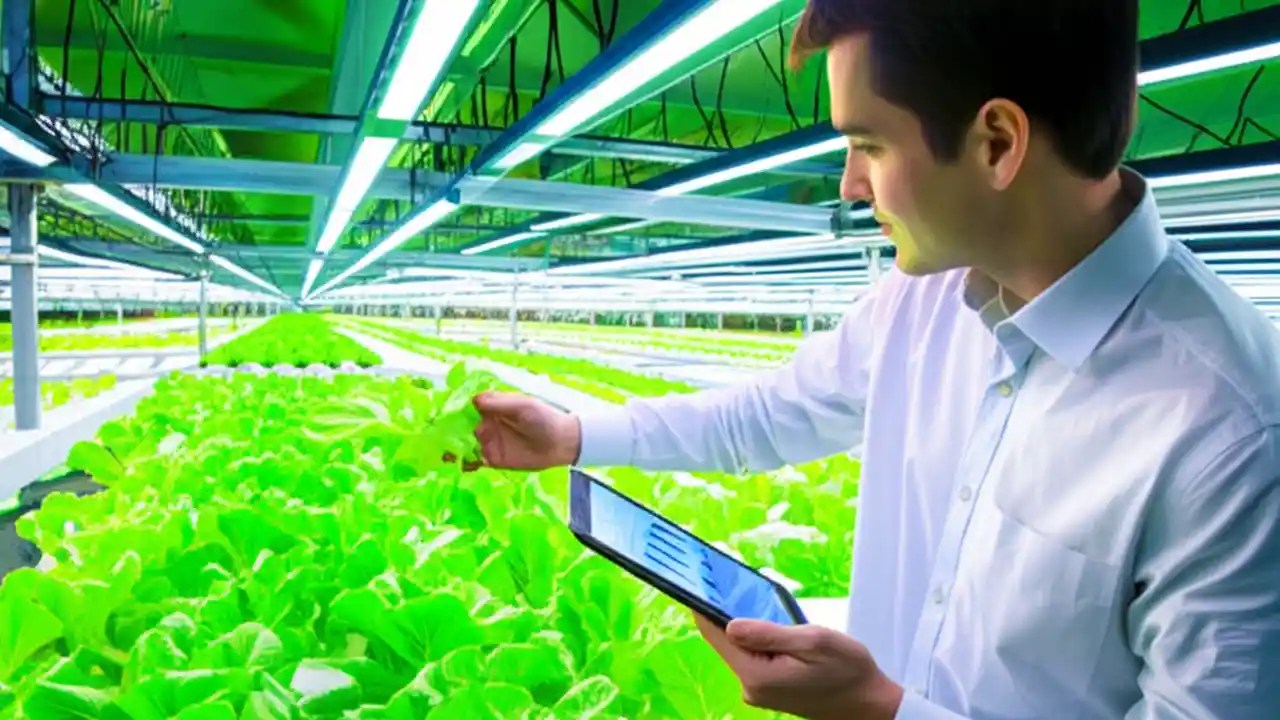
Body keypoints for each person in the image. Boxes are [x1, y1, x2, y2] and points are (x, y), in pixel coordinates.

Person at [471, 0, 1280, 717]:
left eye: (868, 144)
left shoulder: (1233, 433)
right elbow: (771, 415)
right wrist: (573, 435)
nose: (850, 185)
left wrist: (880, 713)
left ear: (997, 142)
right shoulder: (925, 296)